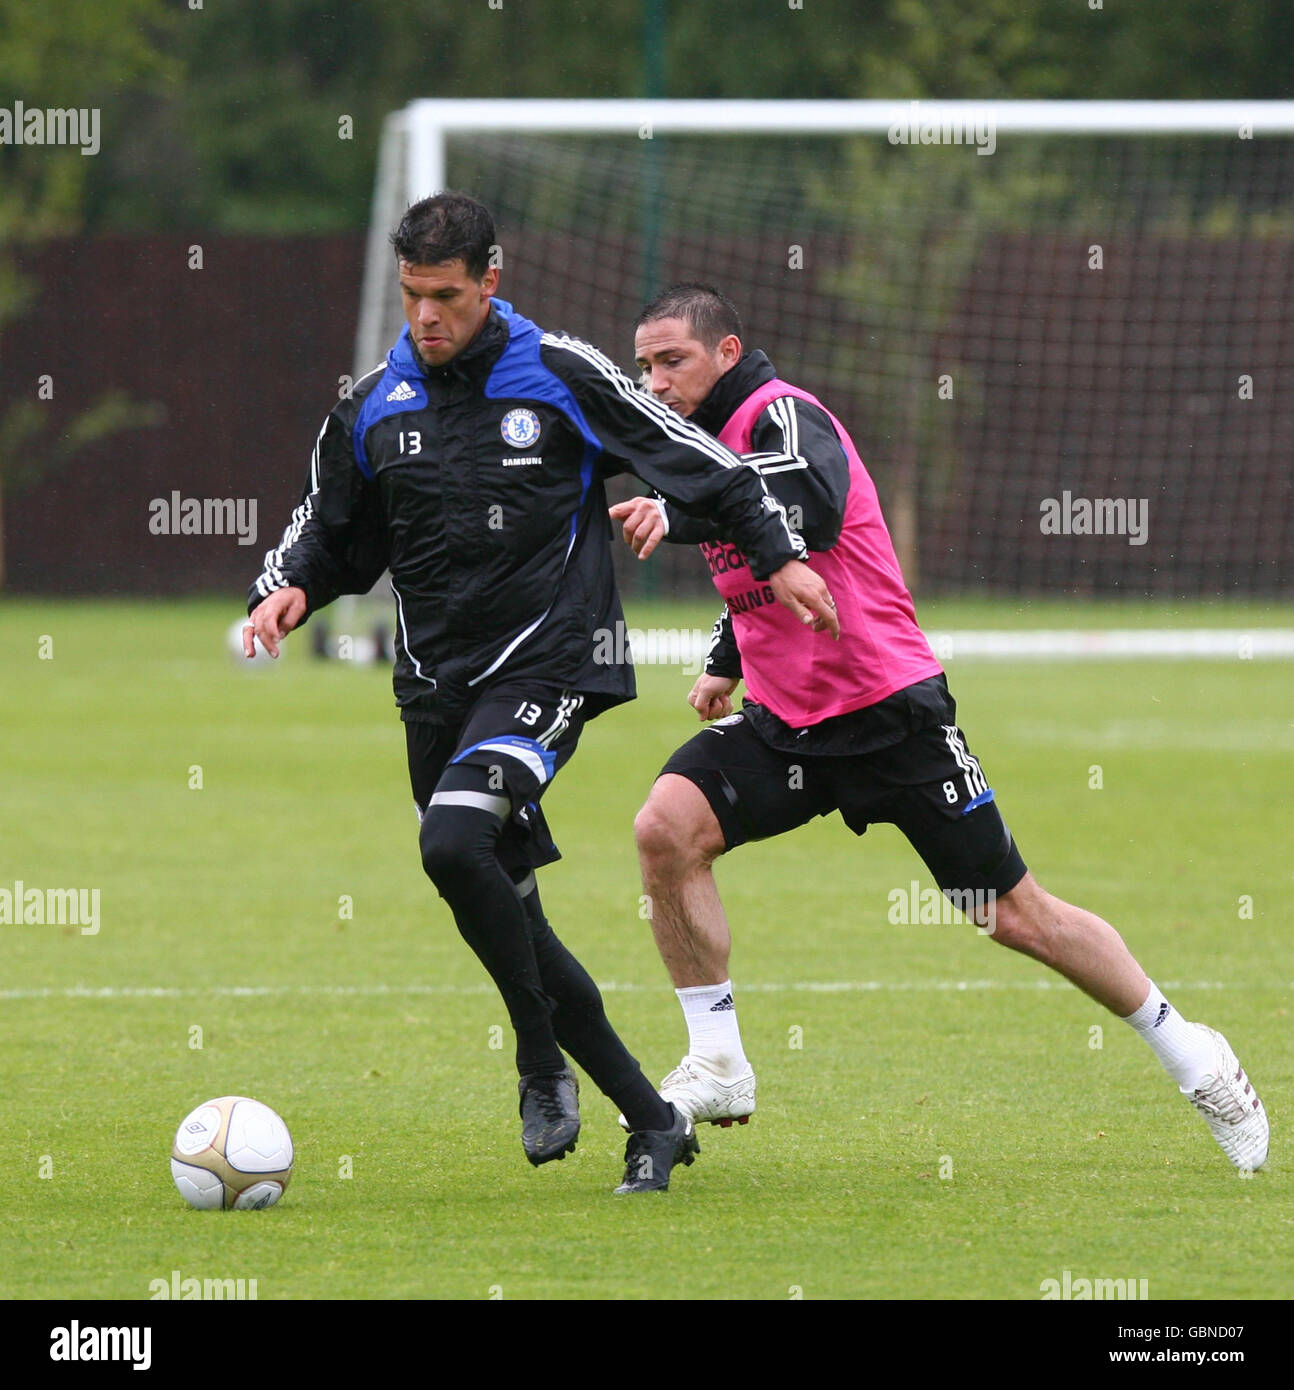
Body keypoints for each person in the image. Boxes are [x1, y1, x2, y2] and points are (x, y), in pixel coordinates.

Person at [244, 199, 839, 1195]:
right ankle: (650, 1119)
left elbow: (703, 463)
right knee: (498, 898)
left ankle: (535, 1059)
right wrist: (291, 586)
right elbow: (331, 530)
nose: (427, 316)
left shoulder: (559, 372)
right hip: (436, 686)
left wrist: (775, 557)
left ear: (490, 281)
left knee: (450, 840)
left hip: (550, 663)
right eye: (412, 296)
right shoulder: (372, 404)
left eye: (446, 295)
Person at [609, 282, 1268, 1172]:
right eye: (644, 364)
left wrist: (681, 509)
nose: (655, 380)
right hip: (788, 729)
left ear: (727, 354)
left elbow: (809, 503)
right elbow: (766, 561)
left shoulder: (783, 416)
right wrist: (727, 654)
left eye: (672, 360)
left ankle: (1193, 1052)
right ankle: (719, 1060)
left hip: (891, 717)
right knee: (666, 828)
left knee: (1014, 917)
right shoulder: (690, 447)